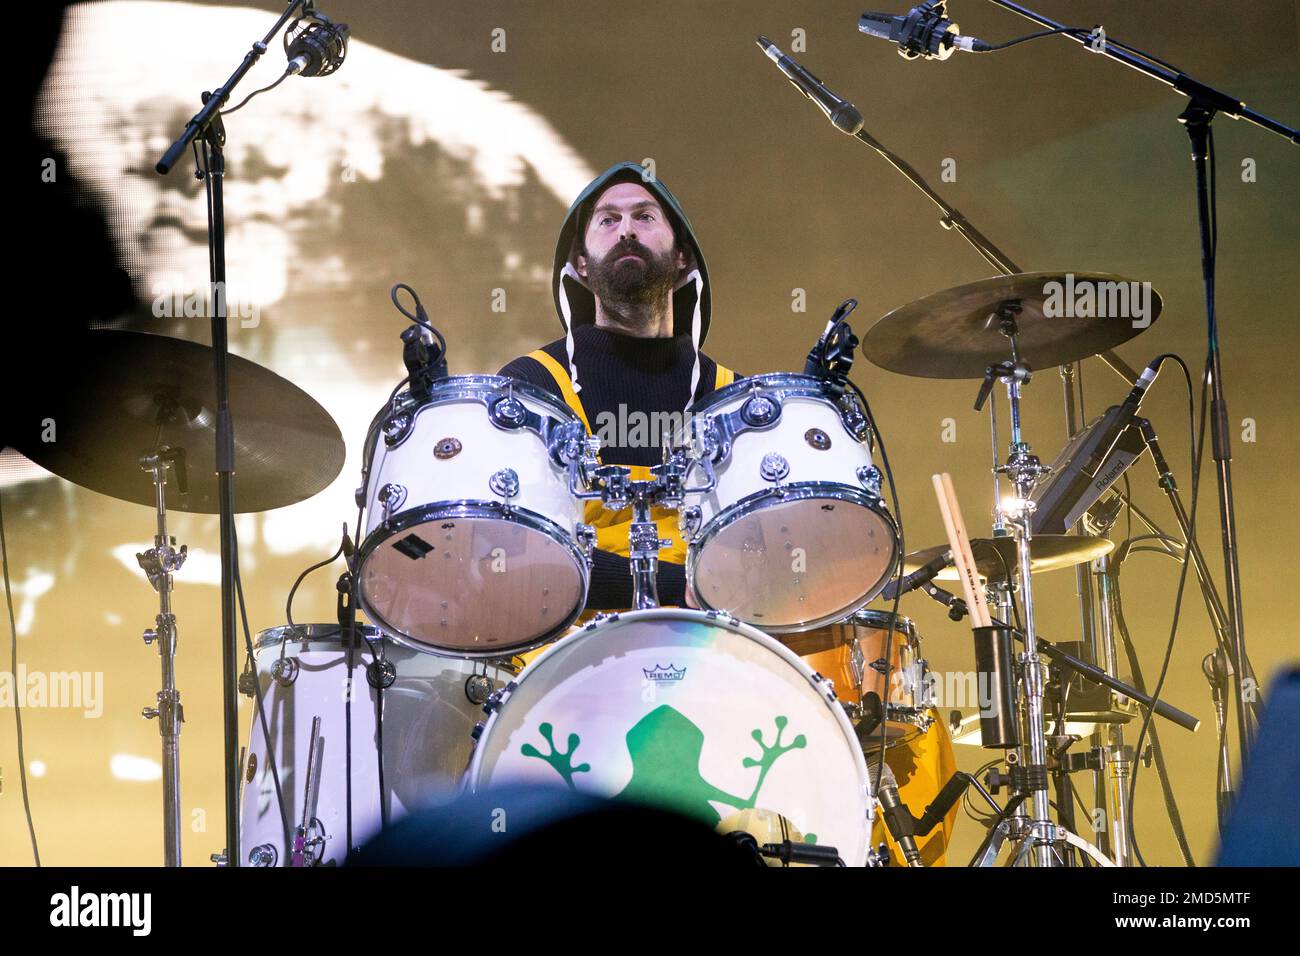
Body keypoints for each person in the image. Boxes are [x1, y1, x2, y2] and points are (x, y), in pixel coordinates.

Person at [498, 161, 956, 865]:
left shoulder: (737, 397)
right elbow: (510, 552)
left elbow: (778, 550)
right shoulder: (529, 387)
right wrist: (636, 588)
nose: (627, 228)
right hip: (568, 645)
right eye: (608, 218)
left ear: (681, 260)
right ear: (579, 265)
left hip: (722, 638)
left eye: (645, 217)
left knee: (893, 684)